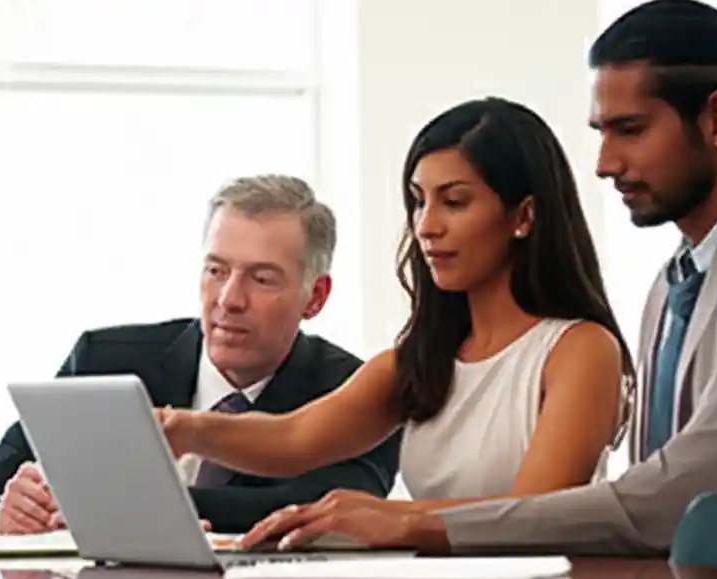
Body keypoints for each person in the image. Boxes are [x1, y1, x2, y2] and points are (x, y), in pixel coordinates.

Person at [233, 0, 717, 555]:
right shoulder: (675, 281)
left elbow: (675, 501)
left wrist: (412, 523)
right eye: (600, 132)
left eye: (629, 130)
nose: (602, 163)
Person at [159, 96, 635, 549]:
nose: (426, 225)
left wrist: (400, 518)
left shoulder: (581, 350)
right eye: (418, 201)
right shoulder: (422, 358)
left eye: (454, 202)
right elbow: (294, 438)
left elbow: (538, 512)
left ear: (524, 216)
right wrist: (185, 429)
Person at [0, 175, 401, 544]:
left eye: (262, 279)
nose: (228, 299)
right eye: (217, 271)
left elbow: (319, 508)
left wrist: (110, 510)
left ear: (314, 297)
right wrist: (0, 518)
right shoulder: (105, 361)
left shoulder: (356, 391)